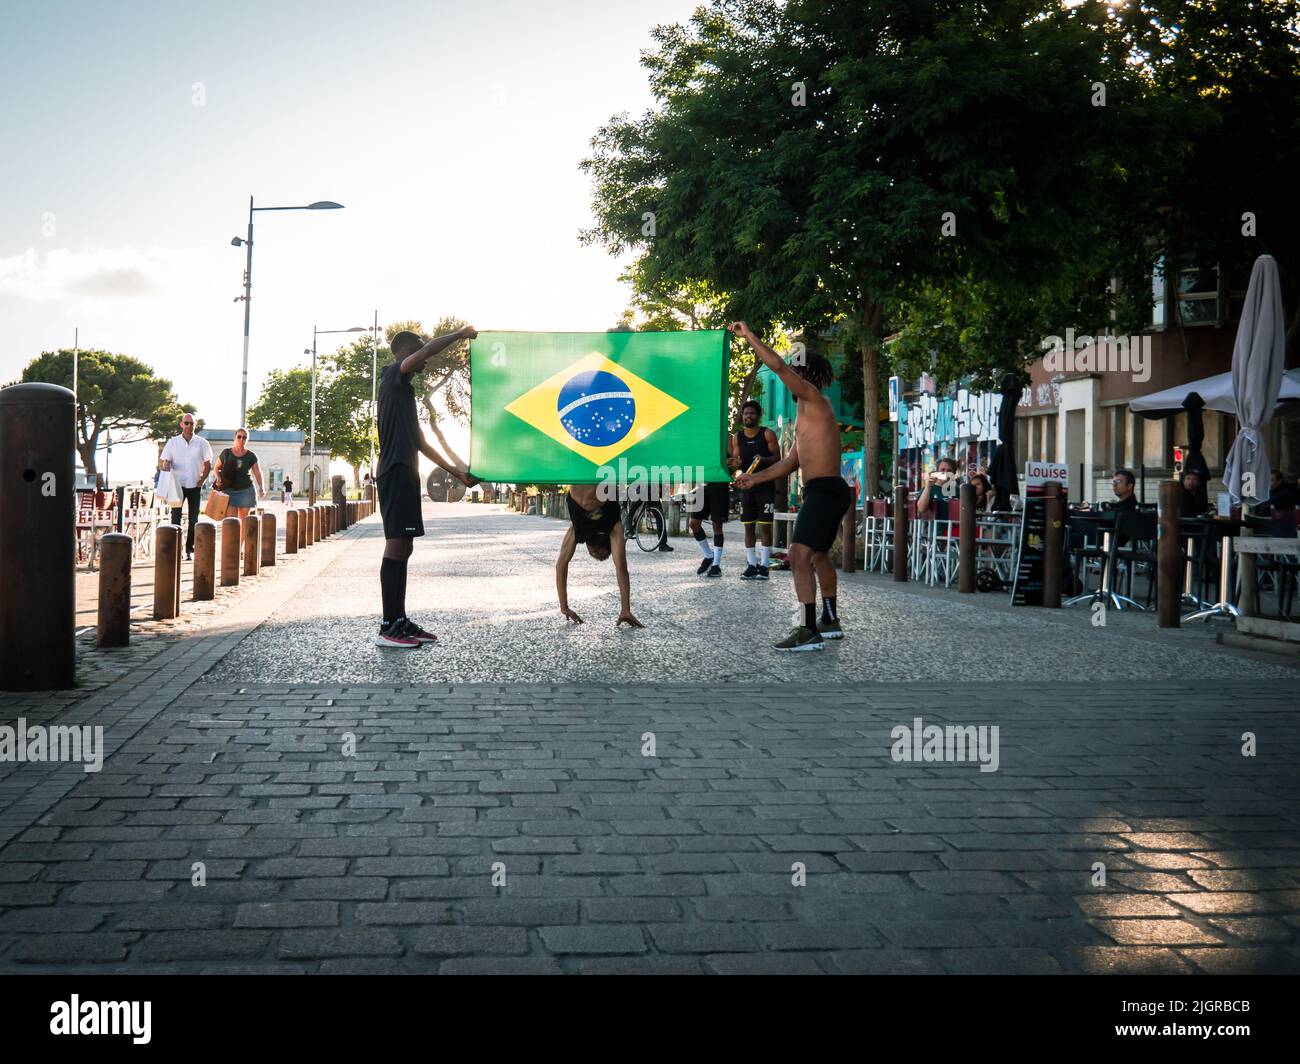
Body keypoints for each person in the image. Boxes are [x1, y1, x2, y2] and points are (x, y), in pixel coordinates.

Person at [731, 322, 850, 651]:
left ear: (804, 373)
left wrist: (749, 336)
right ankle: (830, 620)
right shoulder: (804, 412)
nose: (786, 380)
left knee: (798, 555)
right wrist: (754, 477)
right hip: (824, 490)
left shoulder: (814, 397)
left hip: (826, 489)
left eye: (793, 372)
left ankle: (807, 630)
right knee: (819, 556)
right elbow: (790, 463)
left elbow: (778, 365)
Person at [375, 327, 479, 649]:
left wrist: (456, 472)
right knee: (395, 549)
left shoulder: (404, 393)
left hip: (407, 474)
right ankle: (388, 626)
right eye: (418, 351)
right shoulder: (393, 374)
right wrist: (460, 333)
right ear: (406, 351)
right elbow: (425, 352)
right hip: (394, 472)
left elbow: (422, 443)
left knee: (405, 549)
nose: (425, 360)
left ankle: (400, 620)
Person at [557, 484, 642, 628]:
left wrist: (564, 606)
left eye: (594, 554)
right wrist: (625, 609)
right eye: (600, 554)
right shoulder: (614, 527)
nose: (595, 553)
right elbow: (621, 566)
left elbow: (560, 566)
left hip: (581, 475)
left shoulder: (577, 530)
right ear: (608, 546)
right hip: (600, 477)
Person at [735, 399, 782, 581]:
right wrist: (735, 466)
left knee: (765, 528)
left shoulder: (767, 434)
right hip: (746, 489)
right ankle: (751, 565)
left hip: (765, 487)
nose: (748, 416)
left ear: (758, 416)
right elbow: (736, 464)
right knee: (748, 528)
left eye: (752, 413)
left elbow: (778, 457)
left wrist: (764, 460)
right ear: (743, 416)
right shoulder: (737, 437)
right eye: (746, 413)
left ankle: (764, 567)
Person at [159, 413, 212, 561]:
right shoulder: (173, 442)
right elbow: (165, 462)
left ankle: (190, 549)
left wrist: (202, 480)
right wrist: (167, 465)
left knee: (193, 519)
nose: (189, 426)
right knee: (175, 517)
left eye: (192, 423)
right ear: (182, 424)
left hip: (195, 485)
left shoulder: (202, 443)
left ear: (195, 425)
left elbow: (208, 464)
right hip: (177, 486)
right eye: (186, 423)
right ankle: (175, 548)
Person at [213, 429, 265, 541]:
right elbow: (216, 468)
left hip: (246, 490)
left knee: (243, 520)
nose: (242, 439)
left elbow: (257, 472)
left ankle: (239, 547)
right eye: (239, 436)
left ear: (247, 440)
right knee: (231, 520)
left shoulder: (251, 455)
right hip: (229, 490)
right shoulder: (226, 453)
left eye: (244, 437)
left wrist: (261, 488)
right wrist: (218, 477)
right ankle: (232, 545)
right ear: (235, 438)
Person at [687, 477, 731, 577]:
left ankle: (716, 565)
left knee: (717, 525)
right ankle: (709, 555)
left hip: (719, 486)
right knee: (694, 524)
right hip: (702, 486)